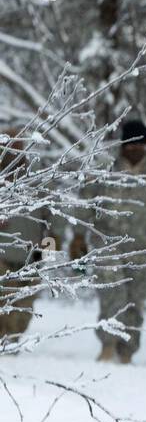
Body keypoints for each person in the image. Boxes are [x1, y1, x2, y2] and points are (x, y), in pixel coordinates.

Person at [68, 119, 146, 363]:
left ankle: (127, 349)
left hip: (139, 245)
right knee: (112, 293)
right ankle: (108, 345)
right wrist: (78, 236)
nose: (132, 149)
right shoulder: (104, 170)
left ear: (145, 145)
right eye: (128, 145)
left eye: (137, 144)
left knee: (134, 300)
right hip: (106, 243)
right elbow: (86, 202)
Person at [0, 133, 54, 340]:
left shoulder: (39, 181)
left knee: (22, 311)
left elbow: (54, 221)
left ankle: (12, 343)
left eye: (17, 147)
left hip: (30, 260)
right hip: (2, 258)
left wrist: (46, 259)